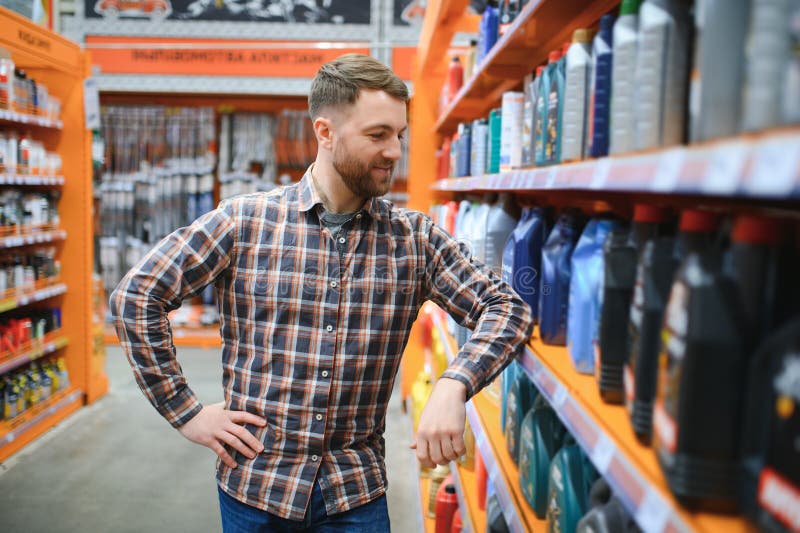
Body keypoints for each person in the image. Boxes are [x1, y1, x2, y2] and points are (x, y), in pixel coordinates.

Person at [110, 53, 533, 532]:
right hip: (256, 487)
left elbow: (507, 308)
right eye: (378, 135)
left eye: (399, 135)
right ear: (325, 133)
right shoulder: (245, 222)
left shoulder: (414, 240)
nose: (395, 151)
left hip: (354, 496)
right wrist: (186, 413)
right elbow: (136, 297)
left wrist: (456, 382)